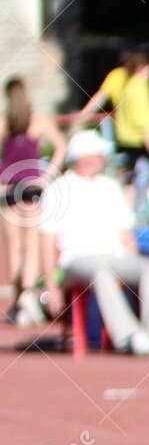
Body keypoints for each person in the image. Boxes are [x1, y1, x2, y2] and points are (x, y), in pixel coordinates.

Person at [39, 130, 149, 354]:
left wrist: (133, 264)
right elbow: (47, 241)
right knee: (100, 270)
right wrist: (51, 285)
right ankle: (129, 335)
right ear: (84, 157)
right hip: (77, 261)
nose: (103, 157)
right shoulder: (58, 190)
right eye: (98, 153)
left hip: (115, 256)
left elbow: (126, 234)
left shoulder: (110, 187)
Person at [2, 76, 65, 326]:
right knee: (32, 245)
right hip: (31, 186)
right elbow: (61, 146)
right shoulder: (38, 121)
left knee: (15, 247)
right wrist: (46, 176)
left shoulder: (5, 123)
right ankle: (26, 295)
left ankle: (21, 298)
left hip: (8, 189)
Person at [75, 48, 149, 215]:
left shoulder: (122, 78)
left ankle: (129, 214)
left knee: (130, 178)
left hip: (124, 137)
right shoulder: (136, 83)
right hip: (139, 139)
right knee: (148, 178)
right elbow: (141, 115)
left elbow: (101, 97)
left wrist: (82, 117)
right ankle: (139, 216)